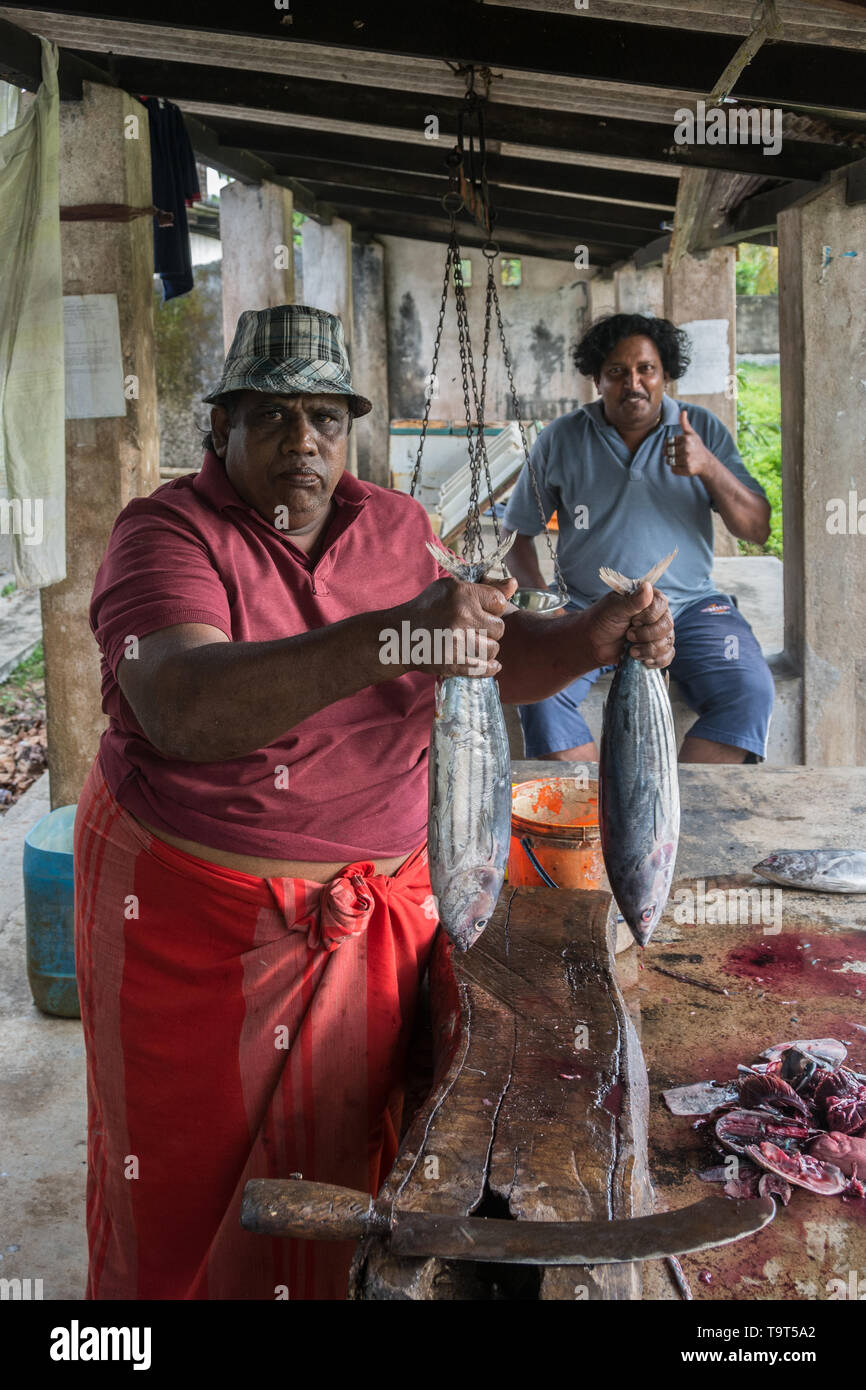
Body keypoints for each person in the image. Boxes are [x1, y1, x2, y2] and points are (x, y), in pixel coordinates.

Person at [74, 304, 674, 1300]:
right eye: (269, 415)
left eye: (324, 415)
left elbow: (486, 653)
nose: (301, 440)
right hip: (199, 936)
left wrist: (588, 635)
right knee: (187, 1188)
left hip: (377, 918)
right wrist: (392, 632)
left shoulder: (396, 528)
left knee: (353, 1168)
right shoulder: (164, 536)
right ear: (216, 429)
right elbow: (181, 702)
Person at [502, 312, 774, 766]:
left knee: (748, 693)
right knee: (539, 695)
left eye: (646, 369)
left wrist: (707, 466)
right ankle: (597, 821)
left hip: (691, 608)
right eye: (616, 372)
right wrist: (546, 608)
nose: (634, 383)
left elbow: (757, 529)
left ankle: (670, 816)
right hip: (588, 608)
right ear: (596, 379)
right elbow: (516, 533)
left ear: (665, 373)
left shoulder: (700, 429)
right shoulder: (563, 437)